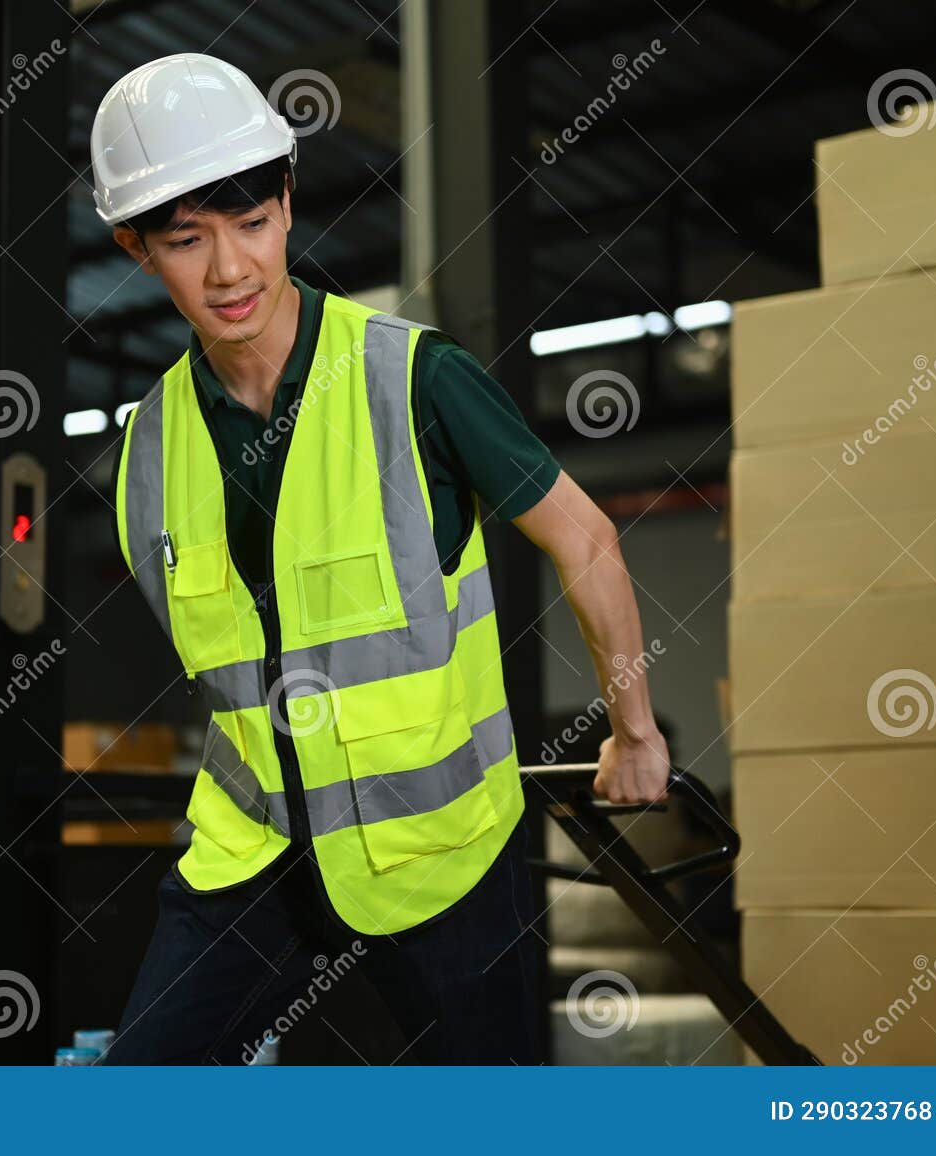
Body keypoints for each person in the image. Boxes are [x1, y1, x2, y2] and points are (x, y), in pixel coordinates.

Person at [94, 53, 670, 1064]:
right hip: (255, 848)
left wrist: (633, 730)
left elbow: (586, 540)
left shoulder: (416, 379)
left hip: (434, 853)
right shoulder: (148, 449)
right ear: (135, 247)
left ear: (286, 198)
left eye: (253, 223)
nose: (229, 269)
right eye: (186, 240)